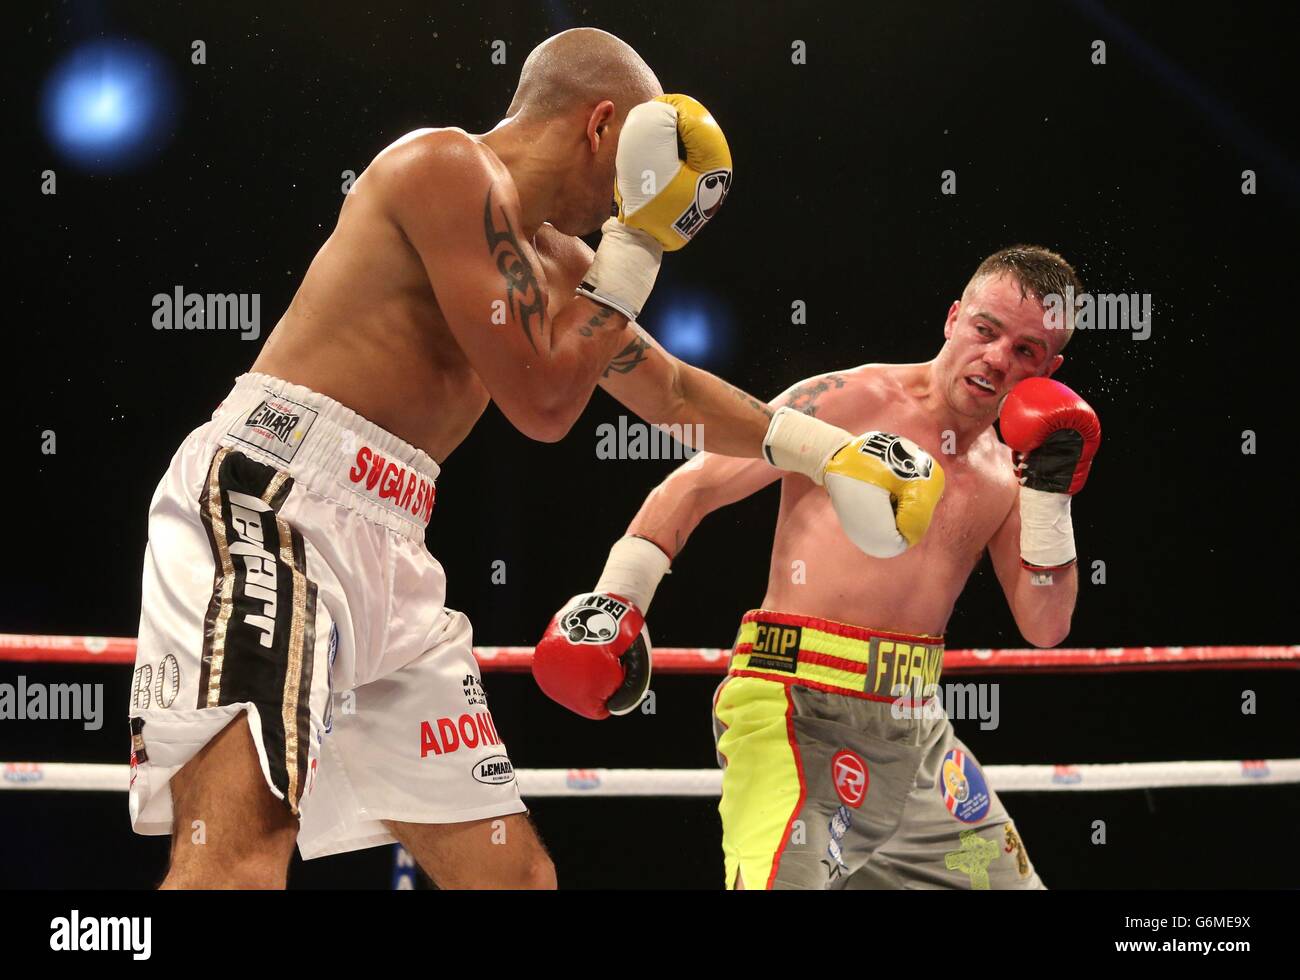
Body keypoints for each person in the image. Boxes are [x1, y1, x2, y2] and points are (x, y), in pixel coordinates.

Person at [128, 26, 918, 889]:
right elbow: (543, 402)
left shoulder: (565, 263)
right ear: (605, 125)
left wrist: (832, 453)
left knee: (514, 880)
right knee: (237, 861)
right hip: (271, 500)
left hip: (393, 544)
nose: (630, 209)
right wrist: (640, 248)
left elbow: (676, 394)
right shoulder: (444, 168)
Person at [533, 245, 1102, 889]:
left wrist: (1052, 497)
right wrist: (617, 601)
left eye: (1026, 350)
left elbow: (1045, 624)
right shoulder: (851, 401)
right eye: (987, 330)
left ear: (1050, 370)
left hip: (919, 738)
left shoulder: (1010, 475)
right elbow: (693, 488)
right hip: (797, 711)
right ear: (953, 318)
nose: (998, 358)